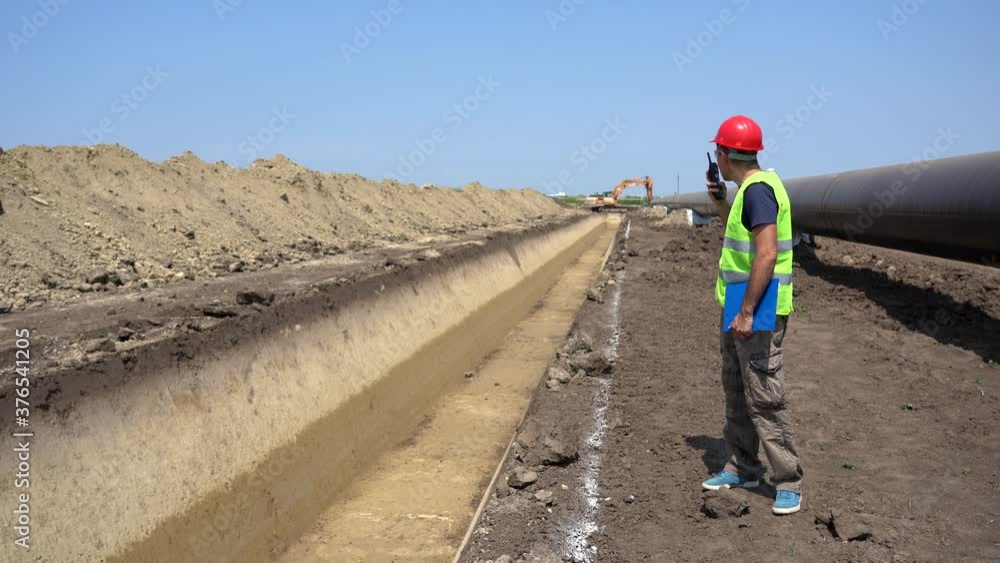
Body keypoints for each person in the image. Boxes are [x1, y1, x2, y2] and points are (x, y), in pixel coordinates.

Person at [701, 115, 804, 515]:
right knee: (737, 388)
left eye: (719, 153)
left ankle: (789, 480)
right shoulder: (749, 190)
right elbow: (743, 233)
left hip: (756, 308)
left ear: (724, 155)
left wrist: (746, 313)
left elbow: (766, 253)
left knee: (764, 395)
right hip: (740, 305)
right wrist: (718, 200)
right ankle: (743, 465)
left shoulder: (759, 191)